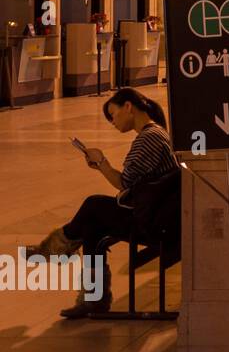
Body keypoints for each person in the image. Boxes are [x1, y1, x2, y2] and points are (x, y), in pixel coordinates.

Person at [25, 88, 178, 319]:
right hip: (159, 216)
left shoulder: (148, 139)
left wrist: (102, 161)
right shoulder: (157, 134)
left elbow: (124, 183)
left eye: (113, 115)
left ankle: (56, 250)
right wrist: (101, 165)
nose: (112, 123)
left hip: (152, 222)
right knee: (92, 224)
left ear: (128, 106)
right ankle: (90, 295)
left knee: (94, 205)